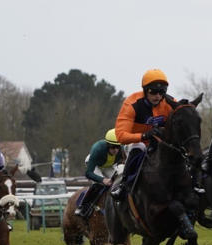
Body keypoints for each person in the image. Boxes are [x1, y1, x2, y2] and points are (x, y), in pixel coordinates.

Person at [110, 68, 175, 200]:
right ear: (145, 90)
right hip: (135, 143)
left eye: (161, 92)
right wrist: (144, 135)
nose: (157, 96)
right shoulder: (132, 104)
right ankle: (124, 185)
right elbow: (121, 136)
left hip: (159, 143)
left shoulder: (169, 102)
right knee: (139, 146)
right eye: (153, 92)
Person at [75, 129, 124, 217]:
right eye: (113, 147)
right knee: (99, 184)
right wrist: (102, 180)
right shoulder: (97, 149)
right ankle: (83, 206)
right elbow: (88, 173)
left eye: (118, 147)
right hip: (95, 165)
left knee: (119, 180)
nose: (116, 150)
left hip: (108, 165)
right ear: (107, 145)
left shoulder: (121, 150)